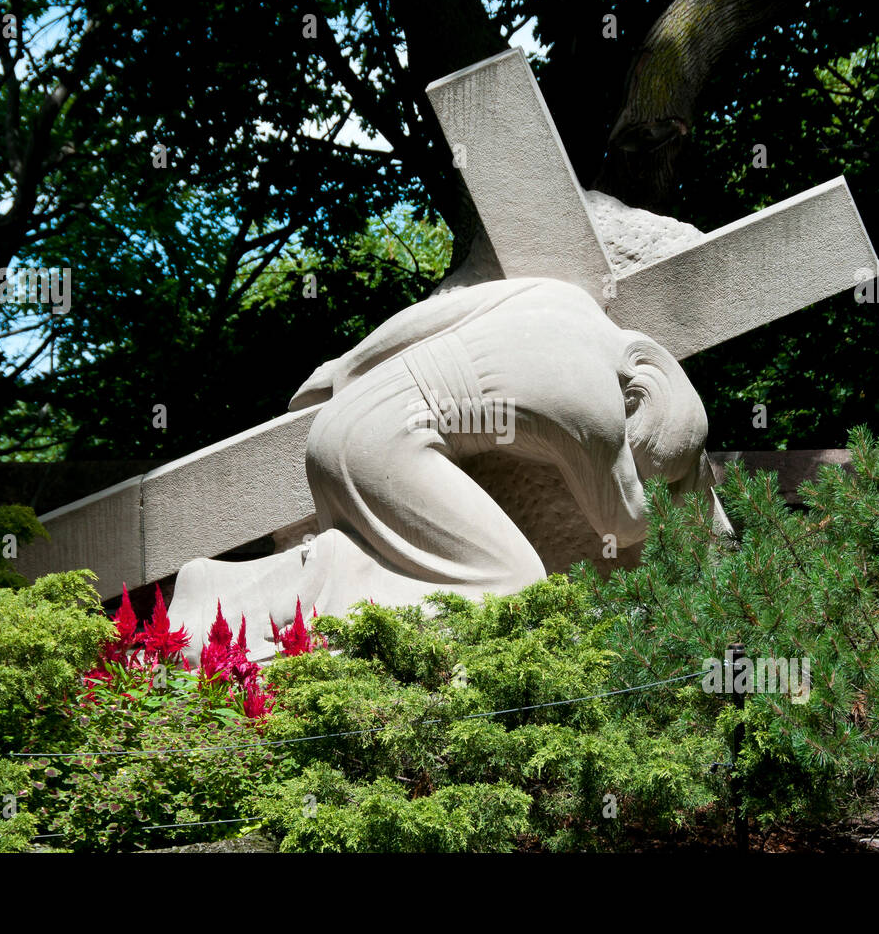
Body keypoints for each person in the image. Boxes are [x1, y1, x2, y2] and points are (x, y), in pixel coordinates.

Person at [168, 277, 728, 660]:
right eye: (643, 458)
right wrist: (692, 497)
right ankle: (269, 619)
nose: (632, 465)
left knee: (416, 571)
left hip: (344, 428)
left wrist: (346, 367)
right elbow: (623, 523)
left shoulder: (565, 302)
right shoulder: (596, 410)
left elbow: (428, 319)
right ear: (635, 403)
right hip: (385, 446)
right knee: (513, 588)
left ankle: (225, 588)